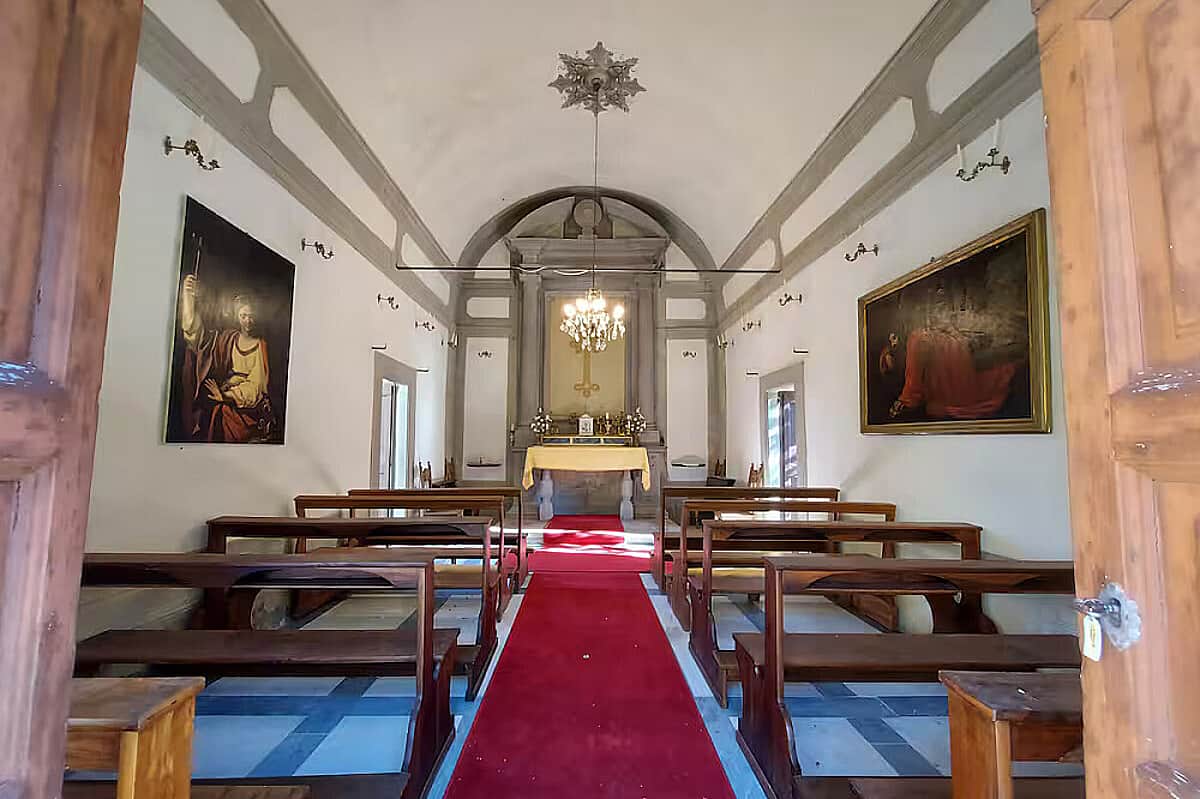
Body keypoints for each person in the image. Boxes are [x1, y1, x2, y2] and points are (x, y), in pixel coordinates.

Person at [178, 274, 277, 442]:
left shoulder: (260, 344)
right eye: (243, 316)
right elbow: (202, 341)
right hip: (226, 391)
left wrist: (227, 396)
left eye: (251, 316)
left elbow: (257, 385)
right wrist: (189, 298)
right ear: (237, 317)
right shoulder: (230, 338)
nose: (248, 321)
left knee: (221, 413)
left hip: (247, 404)